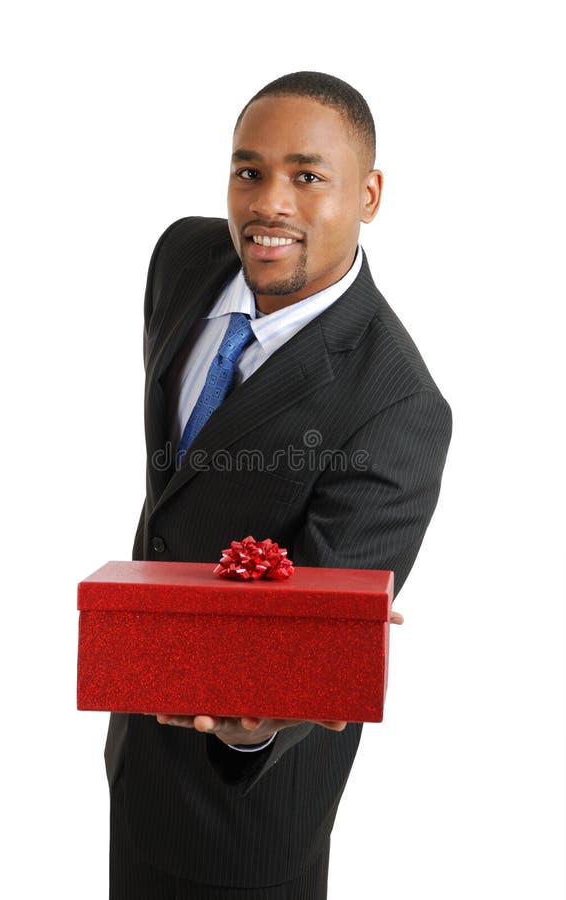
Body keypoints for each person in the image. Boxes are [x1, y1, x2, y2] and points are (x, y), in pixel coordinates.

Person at [106, 71, 452, 899]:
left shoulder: (397, 405)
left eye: (307, 175)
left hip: (250, 814)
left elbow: (318, 643)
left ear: (368, 194)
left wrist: (263, 721)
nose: (271, 204)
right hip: (136, 765)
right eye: (248, 170)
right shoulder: (183, 258)